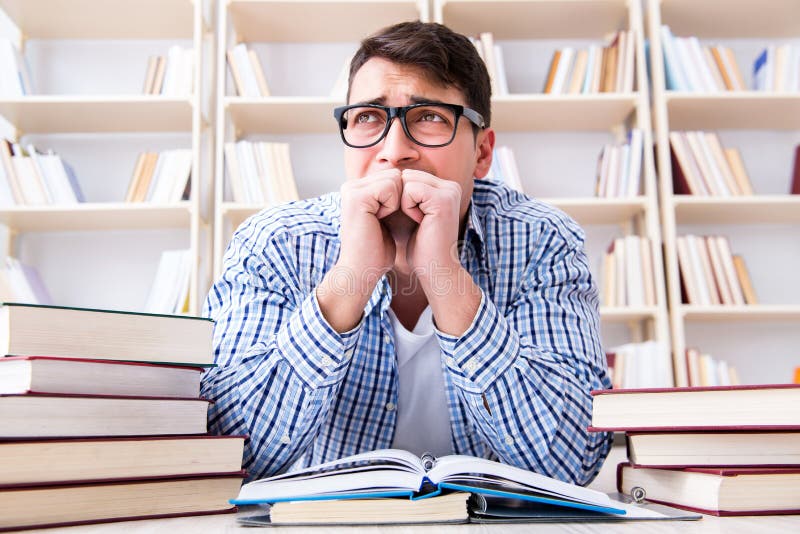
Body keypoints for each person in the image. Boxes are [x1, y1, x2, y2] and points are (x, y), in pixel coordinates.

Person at [202, 21, 612, 486]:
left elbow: (573, 459)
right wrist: (348, 281)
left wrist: (446, 278)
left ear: (481, 152)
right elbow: (225, 452)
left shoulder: (543, 241)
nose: (394, 152)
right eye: (368, 118)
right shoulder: (274, 243)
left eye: (430, 117)